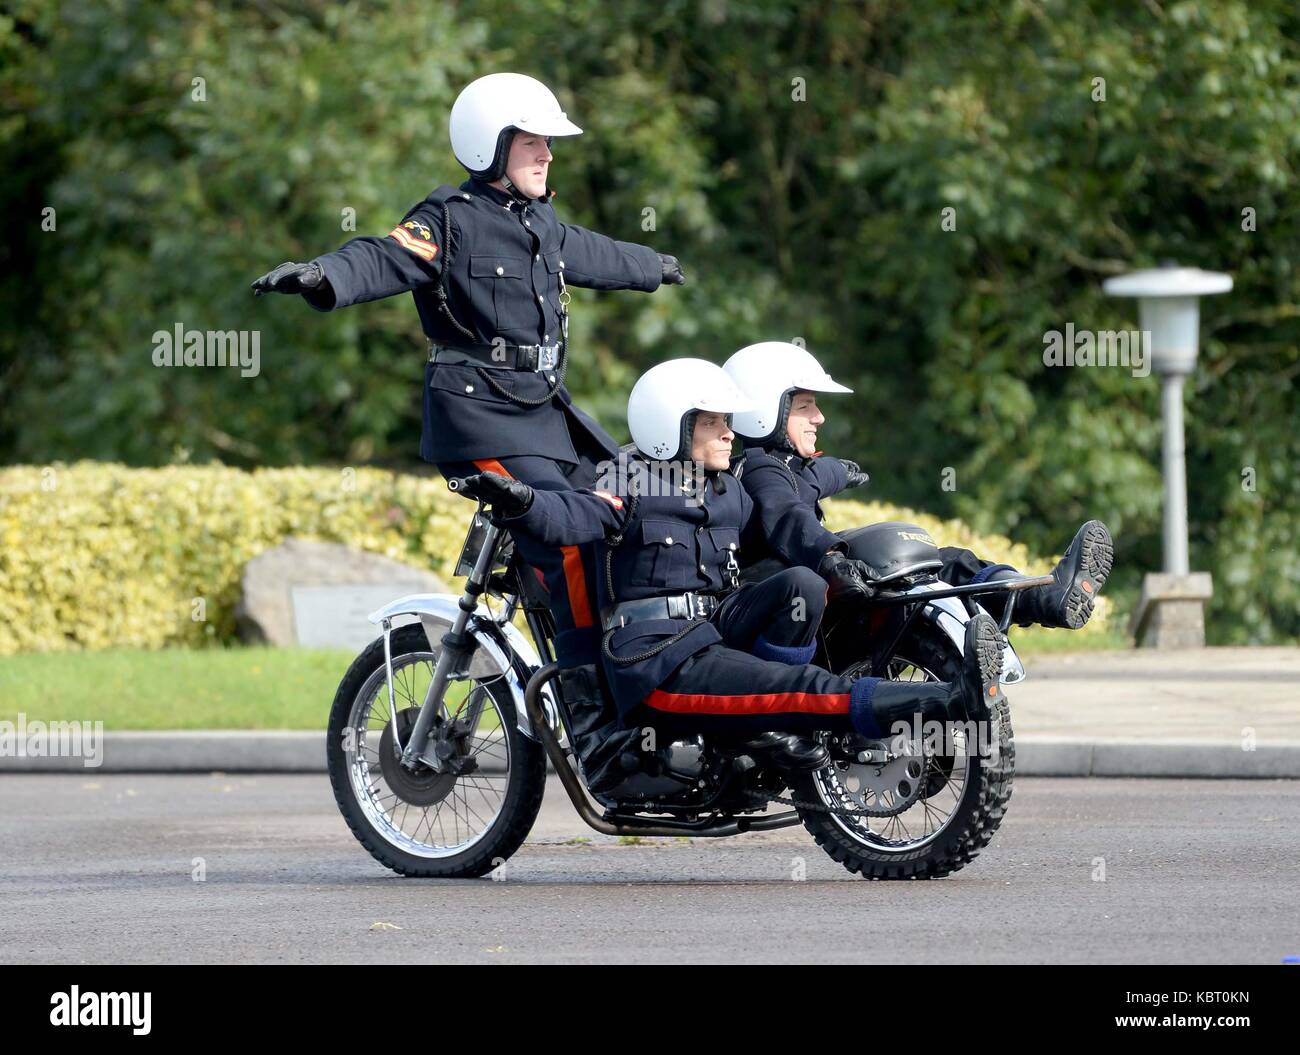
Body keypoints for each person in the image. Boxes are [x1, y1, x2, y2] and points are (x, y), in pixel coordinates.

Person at [250, 72, 685, 669]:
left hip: (546, 415)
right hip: (479, 419)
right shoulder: (450, 217)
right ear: (492, 145)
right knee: (570, 535)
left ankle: (642, 657)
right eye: (532, 140)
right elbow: (386, 254)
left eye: (548, 142)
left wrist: (650, 265)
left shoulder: (541, 222)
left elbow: (590, 251)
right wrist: (323, 276)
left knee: (640, 499)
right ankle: (587, 683)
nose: (547, 153)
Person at [454, 358, 1006, 788]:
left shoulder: (729, 491)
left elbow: (782, 503)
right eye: (714, 422)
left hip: (714, 631)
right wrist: (522, 499)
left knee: (802, 585)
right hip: (657, 661)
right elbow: (569, 514)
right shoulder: (626, 483)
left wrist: (830, 480)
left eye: (728, 420)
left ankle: (762, 736)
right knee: (803, 691)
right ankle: (952, 700)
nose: (729, 433)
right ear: (671, 426)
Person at [722, 342, 1114, 629]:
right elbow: (789, 517)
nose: (820, 417)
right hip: (788, 601)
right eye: (806, 406)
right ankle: (1035, 603)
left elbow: (809, 483)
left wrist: (835, 472)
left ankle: (1041, 599)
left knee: (941, 559)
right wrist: (831, 555)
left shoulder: (788, 467)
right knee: (908, 559)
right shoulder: (760, 470)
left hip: (817, 589)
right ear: (763, 413)